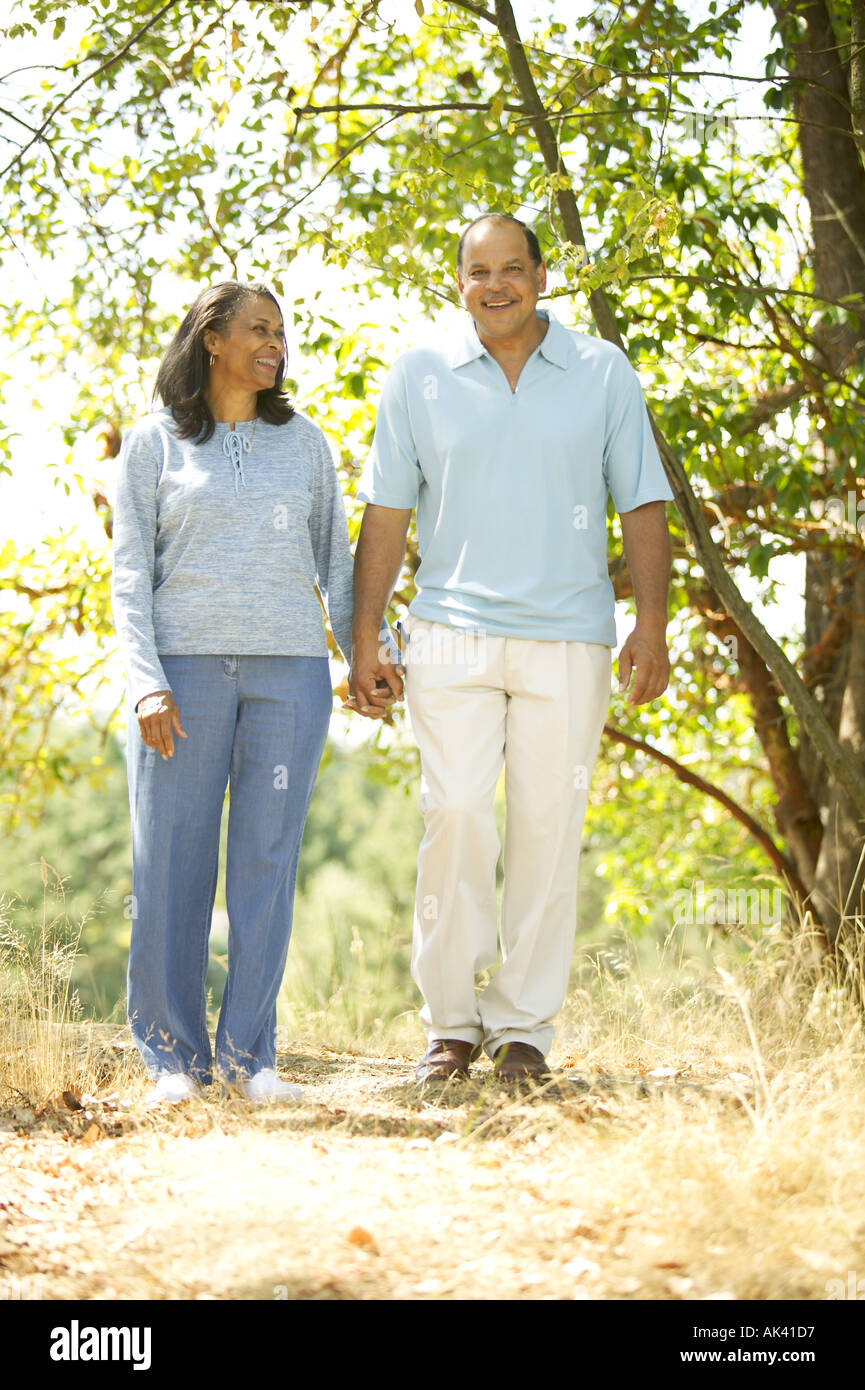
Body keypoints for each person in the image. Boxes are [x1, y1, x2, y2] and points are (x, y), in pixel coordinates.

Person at [348, 213, 674, 1083]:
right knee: (453, 816)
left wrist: (651, 622)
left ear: (541, 276)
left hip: (568, 638)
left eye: (512, 270)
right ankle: (450, 1026)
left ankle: (524, 1028)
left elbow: (642, 501)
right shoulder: (418, 373)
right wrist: (364, 634)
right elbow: (386, 511)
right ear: (457, 282)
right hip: (449, 632)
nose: (495, 286)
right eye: (476, 272)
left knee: (545, 827)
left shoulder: (602, 371)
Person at [111, 280, 361, 1105]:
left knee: (264, 861)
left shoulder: (307, 445)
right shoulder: (153, 445)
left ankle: (250, 1058)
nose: (275, 345)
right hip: (181, 676)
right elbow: (129, 579)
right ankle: (167, 1059)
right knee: (171, 867)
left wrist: (368, 654)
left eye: (281, 333)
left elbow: (338, 564)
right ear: (210, 338)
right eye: (258, 330)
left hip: (288, 674)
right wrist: (145, 684)